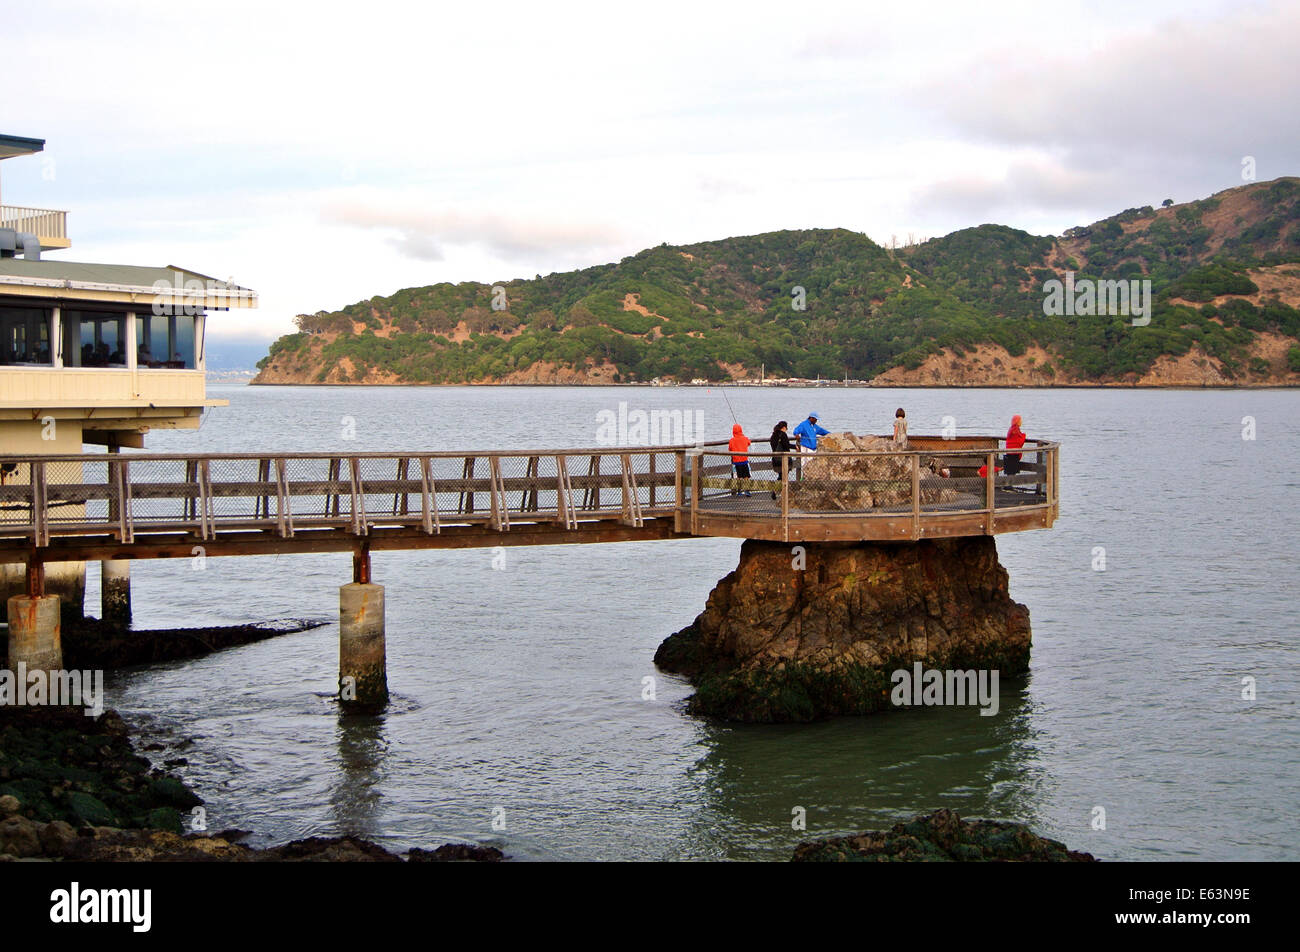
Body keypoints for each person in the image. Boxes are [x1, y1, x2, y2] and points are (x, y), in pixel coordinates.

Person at [792, 412, 829, 480]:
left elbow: (822, 431)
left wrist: (830, 434)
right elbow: (796, 430)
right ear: (811, 418)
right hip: (805, 446)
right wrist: (796, 434)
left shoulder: (814, 426)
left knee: (812, 462)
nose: (816, 421)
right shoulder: (803, 424)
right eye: (815, 419)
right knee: (804, 462)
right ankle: (804, 477)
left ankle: (810, 476)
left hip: (813, 447)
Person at [768, 420, 793, 499]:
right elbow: (786, 445)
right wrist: (795, 447)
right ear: (784, 427)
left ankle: (778, 491)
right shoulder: (783, 435)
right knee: (784, 476)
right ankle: (780, 492)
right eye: (786, 428)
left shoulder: (773, 436)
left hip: (775, 459)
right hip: (784, 460)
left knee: (781, 475)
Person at [728, 423, 752, 497]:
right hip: (744, 461)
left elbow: (730, 449)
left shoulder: (732, 440)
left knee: (738, 477)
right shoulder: (745, 438)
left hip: (736, 462)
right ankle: (747, 490)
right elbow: (749, 443)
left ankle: (739, 491)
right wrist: (743, 436)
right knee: (746, 476)